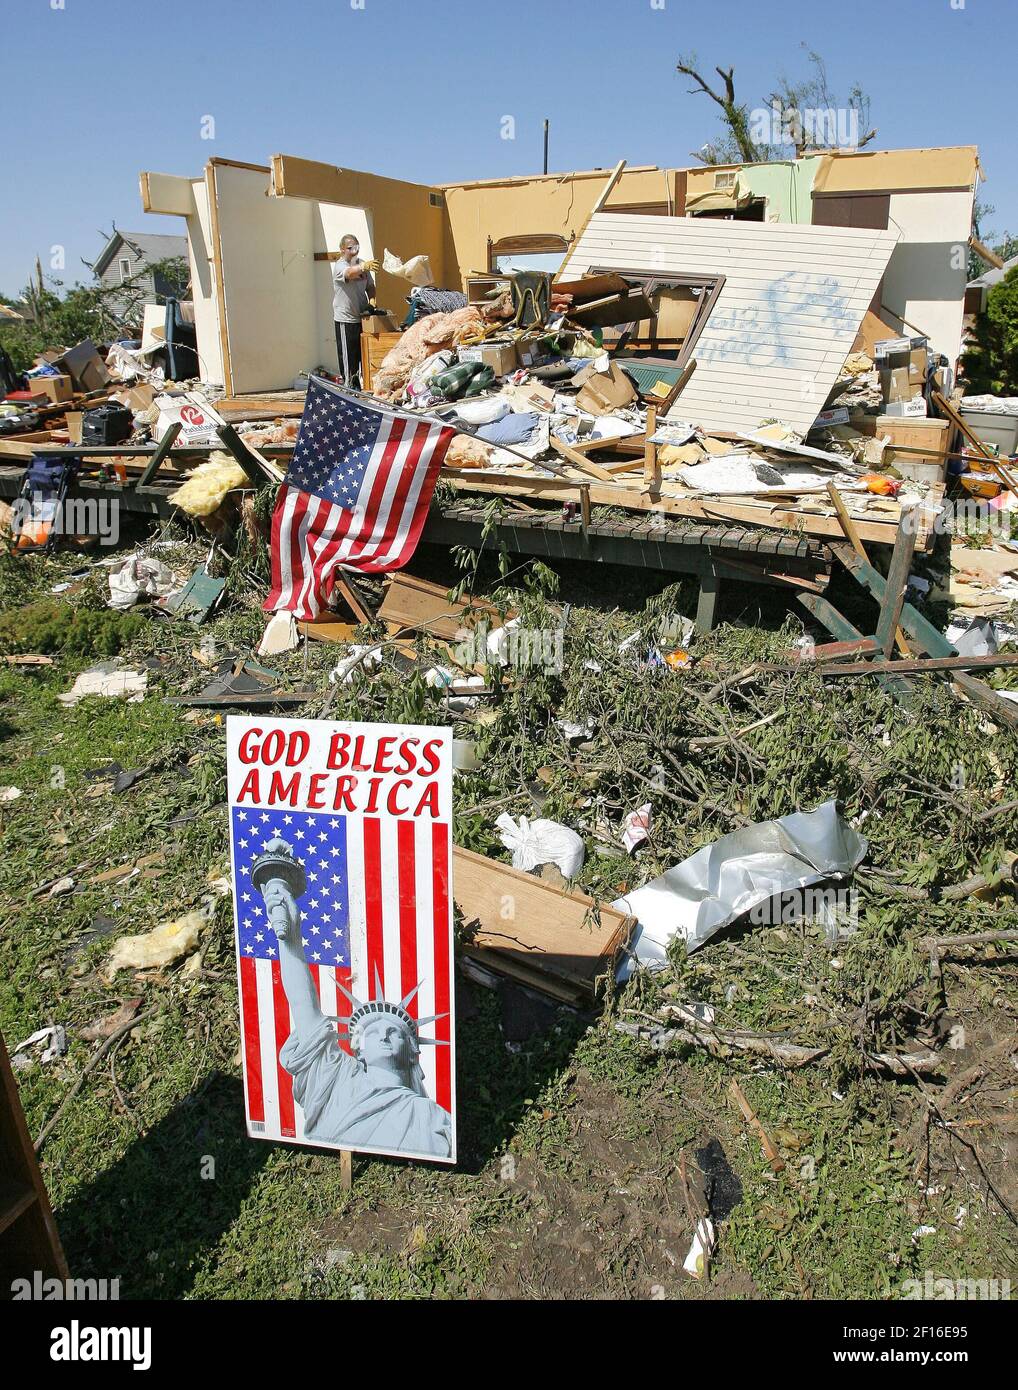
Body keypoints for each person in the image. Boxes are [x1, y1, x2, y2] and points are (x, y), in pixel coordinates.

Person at [252, 837, 451, 1159]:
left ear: (413, 1048)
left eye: (395, 1032)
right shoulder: (336, 1076)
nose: (385, 1035)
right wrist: (292, 939)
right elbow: (303, 1004)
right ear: (357, 1045)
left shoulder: (435, 1118)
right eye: (373, 1031)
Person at [332, 234, 375, 388]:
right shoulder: (340, 266)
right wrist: (363, 267)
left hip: (363, 318)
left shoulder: (362, 264)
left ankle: (362, 387)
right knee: (349, 359)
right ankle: (349, 389)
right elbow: (349, 273)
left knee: (363, 356)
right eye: (351, 248)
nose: (354, 251)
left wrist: (372, 302)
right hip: (346, 319)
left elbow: (370, 286)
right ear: (342, 249)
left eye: (357, 247)